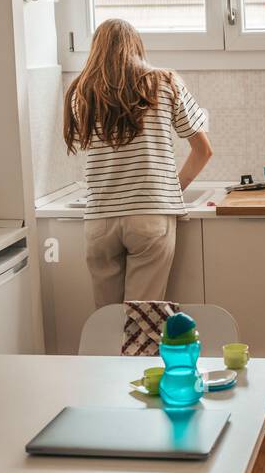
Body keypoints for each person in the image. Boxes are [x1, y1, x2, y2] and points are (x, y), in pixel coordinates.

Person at [63, 19, 212, 306]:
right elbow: (203, 150)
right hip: (150, 215)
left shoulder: (80, 93)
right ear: (137, 46)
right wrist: (173, 188)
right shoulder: (165, 82)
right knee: (142, 320)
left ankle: (107, 353)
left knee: (106, 319)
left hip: (99, 220)